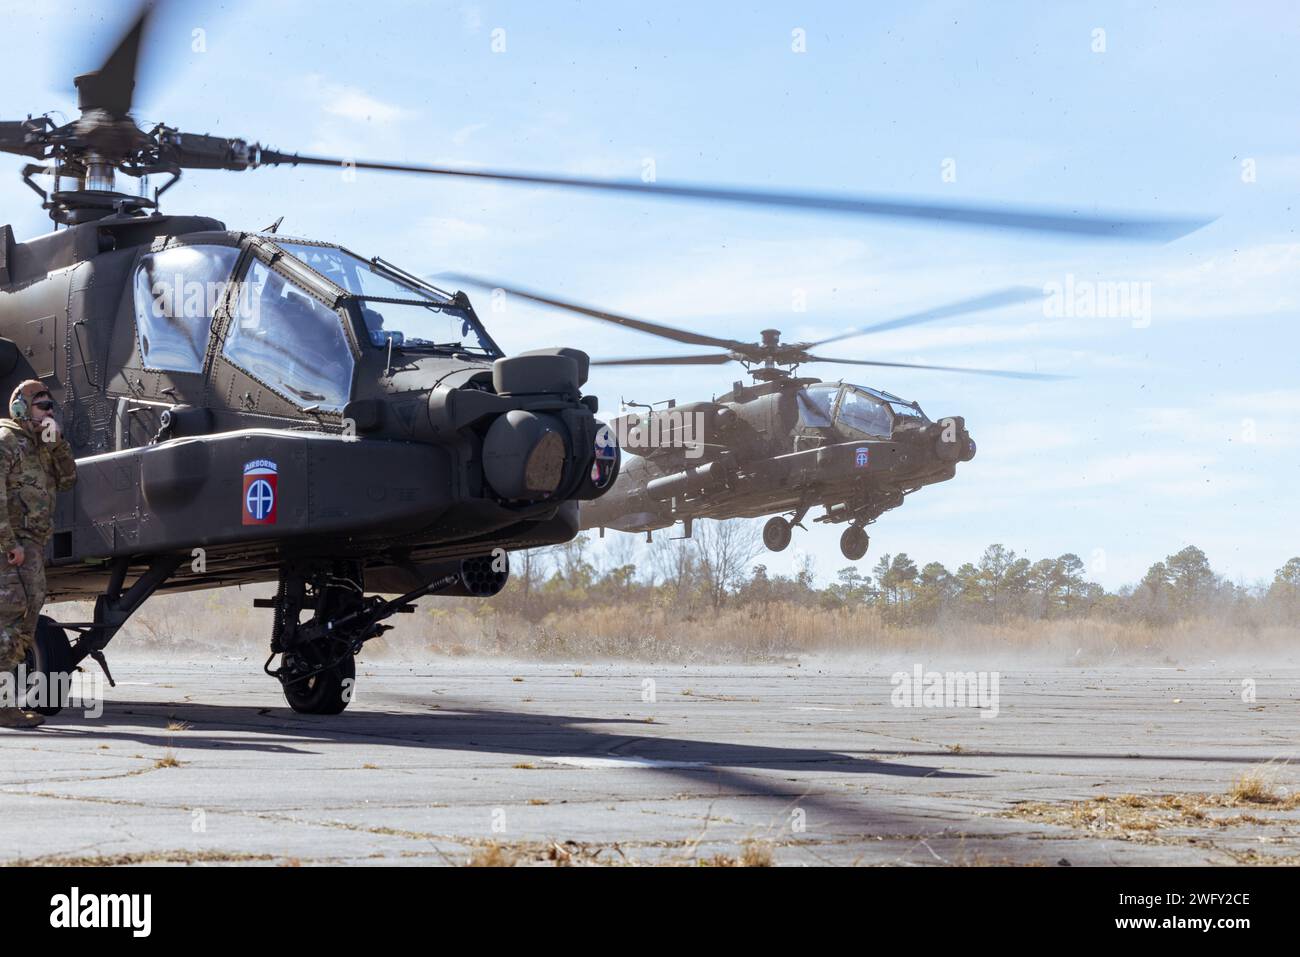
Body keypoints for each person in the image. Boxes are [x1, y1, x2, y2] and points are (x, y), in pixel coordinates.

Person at [0, 380, 77, 728]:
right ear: (20, 409)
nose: (48, 412)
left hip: (31, 547)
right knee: (10, 622)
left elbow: (68, 480)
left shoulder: (41, 446)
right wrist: (9, 545)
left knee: (25, 623)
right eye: (41, 406)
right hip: (10, 547)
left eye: (50, 407)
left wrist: (56, 443)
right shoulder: (5, 442)